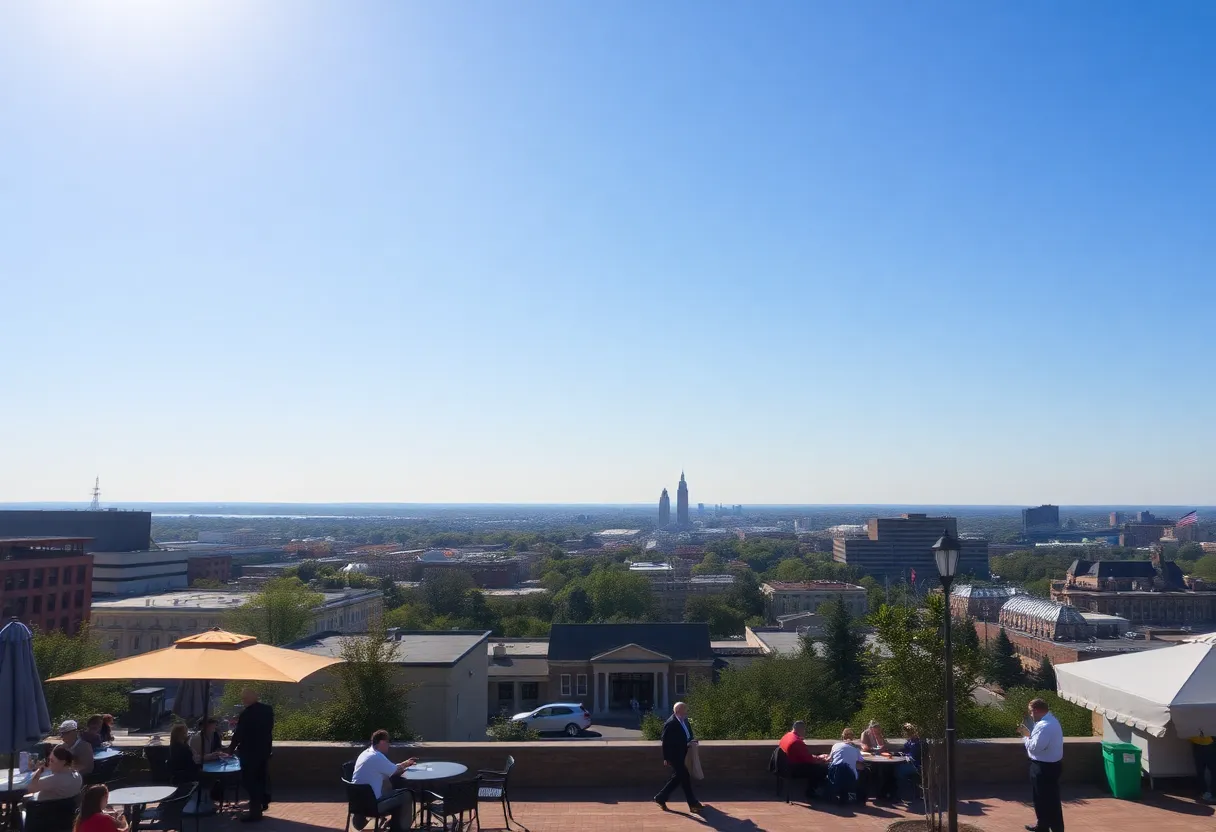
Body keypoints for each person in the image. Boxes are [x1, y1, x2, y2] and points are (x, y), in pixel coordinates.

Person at [351, 730, 418, 831]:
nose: (389, 745)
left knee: (392, 791)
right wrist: (406, 765)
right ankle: (400, 829)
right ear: (382, 742)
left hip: (358, 805)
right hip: (373, 806)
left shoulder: (366, 753)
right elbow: (395, 771)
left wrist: (405, 763)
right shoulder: (377, 756)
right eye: (388, 742)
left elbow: (390, 769)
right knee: (406, 795)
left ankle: (394, 823)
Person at [1019, 697, 1064, 832]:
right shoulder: (1051, 721)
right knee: (1043, 798)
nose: (1031, 715)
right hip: (1050, 766)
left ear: (1036, 710)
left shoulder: (1044, 726)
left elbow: (1034, 747)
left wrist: (1025, 736)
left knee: (1047, 800)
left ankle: (1054, 828)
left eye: (1031, 712)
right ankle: (1043, 825)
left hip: (1044, 767)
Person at [229, 689, 274, 823]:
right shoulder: (267, 710)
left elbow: (239, 734)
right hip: (264, 751)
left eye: (244, 698)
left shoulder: (246, 713)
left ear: (251, 698)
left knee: (249, 781)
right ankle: (262, 802)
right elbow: (269, 729)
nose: (243, 701)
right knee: (261, 778)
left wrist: (231, 749)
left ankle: (255, 812)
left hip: (249, 752)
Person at [653, 702, 703, 814]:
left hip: (683, 753)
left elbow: (688, 735)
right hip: (674, 756)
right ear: (677, 711)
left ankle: (661, 797)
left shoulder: (685, 721)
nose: (686, 712)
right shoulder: (670, 723)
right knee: (684, 776)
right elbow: (665, 742)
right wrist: (666, 758)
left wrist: (691, 741)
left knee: (679, 777)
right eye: (684, 710)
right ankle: (693, 803)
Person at [777, 720, 829, 799]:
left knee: (816, 763)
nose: (804, 732)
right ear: (800, 730)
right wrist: (821, 758)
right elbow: (808, 759)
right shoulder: (796, 742)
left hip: (784, 766)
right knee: (821, 769)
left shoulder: (787, 736)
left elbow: (803, 755)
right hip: (792, 770)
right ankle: (811, 792)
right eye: (804, 730)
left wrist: (817, 757)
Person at [827, 728, 869, 805]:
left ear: (842, 736)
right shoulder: (855, 749)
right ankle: (861, 798)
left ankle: (831, 795)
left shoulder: (835, 746)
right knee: (863, 771)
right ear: (852, 738)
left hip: (835, 775)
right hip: (850, 777)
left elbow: (830, 759)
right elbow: (861, 761)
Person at [861, 719, 897, 801]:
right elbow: (864, 746)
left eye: (878, 727)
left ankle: (887, 793)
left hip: (881, 756)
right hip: (871, 757)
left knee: (889, 769)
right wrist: (873, 748)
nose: (877, 729)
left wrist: (879, 739)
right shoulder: (865, 734)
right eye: (875, 727)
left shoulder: (879, 733)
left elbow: (883, 745)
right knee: (877, 770)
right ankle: (879, 793)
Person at [898, 723, 923, 799]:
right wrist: (900, 753)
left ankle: (902, 793)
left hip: (915, 766)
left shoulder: (916, 744)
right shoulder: (911, 742)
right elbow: (905, 749)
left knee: (897, 771)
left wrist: (904, 755)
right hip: (912, 764)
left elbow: (912, 758)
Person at [1189, 732, 1216, 803]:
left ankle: (1204, 792)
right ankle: (1213, 794)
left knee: (1200, 770)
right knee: (1213, 770)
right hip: (1210, 741)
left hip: (1197, 741)